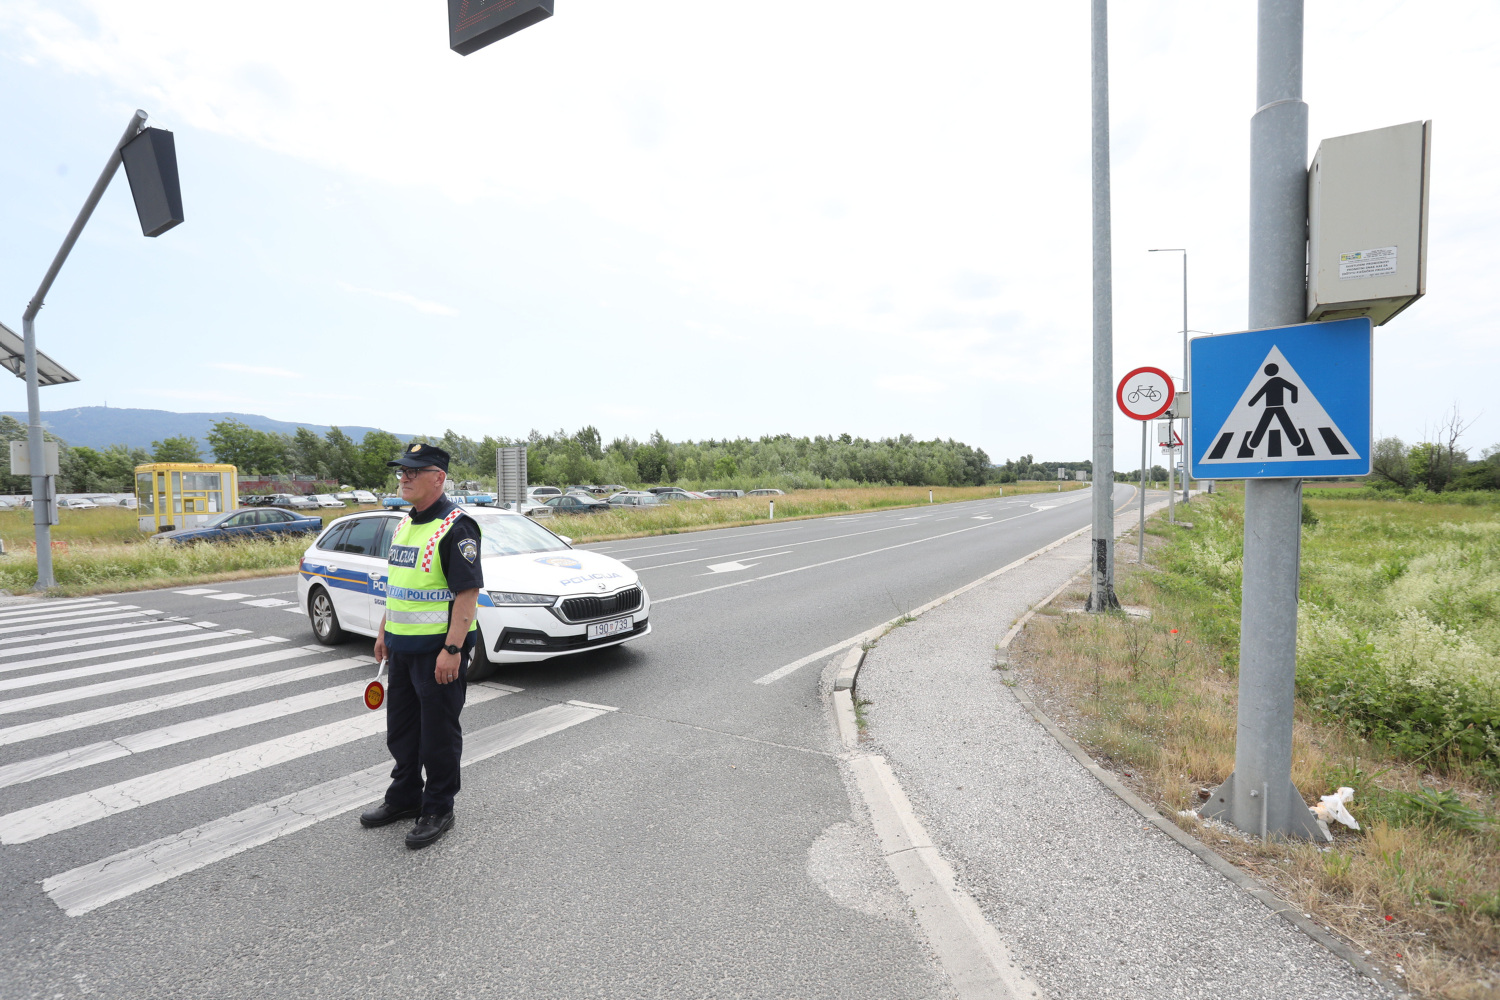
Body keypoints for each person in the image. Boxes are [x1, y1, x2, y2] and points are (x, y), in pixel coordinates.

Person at [358, 442, 485, 849]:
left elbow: (467, 594)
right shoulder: (404, 525)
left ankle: (438, 807)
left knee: (438, 736)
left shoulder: (457, 527)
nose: (404, 477)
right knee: (403, 732)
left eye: (414, 471)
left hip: (437, 652)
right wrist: (384, 632)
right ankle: (405, 797)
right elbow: (398, 587)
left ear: (438, 478)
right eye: (402, 471)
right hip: (402, 648)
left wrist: (453, 650)